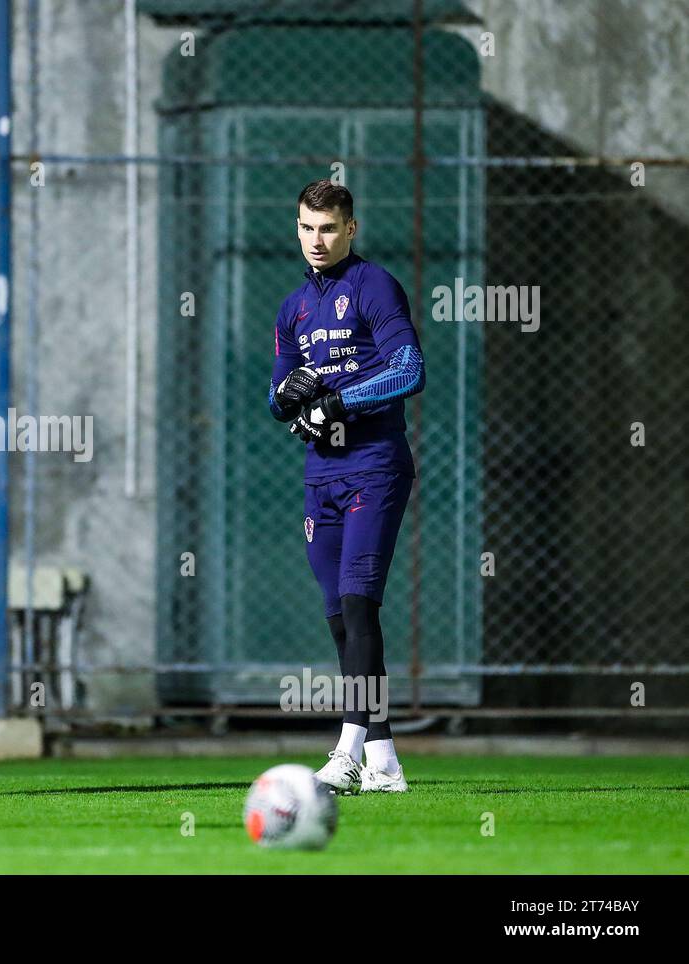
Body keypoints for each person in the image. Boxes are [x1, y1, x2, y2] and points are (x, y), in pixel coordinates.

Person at [268, 179, 426, 794]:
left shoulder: (375, 285)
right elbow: (276, 398)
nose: (317, 239)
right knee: (339, 619)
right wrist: (293, 397)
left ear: (351, 229)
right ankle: (384, 760)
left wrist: (338, 400)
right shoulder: (292, 308)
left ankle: (347, 749)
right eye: (307, 227)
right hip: (321, 477)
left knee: (360, 605)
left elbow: (409, 369)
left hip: (374, 467)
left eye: (328, 228)